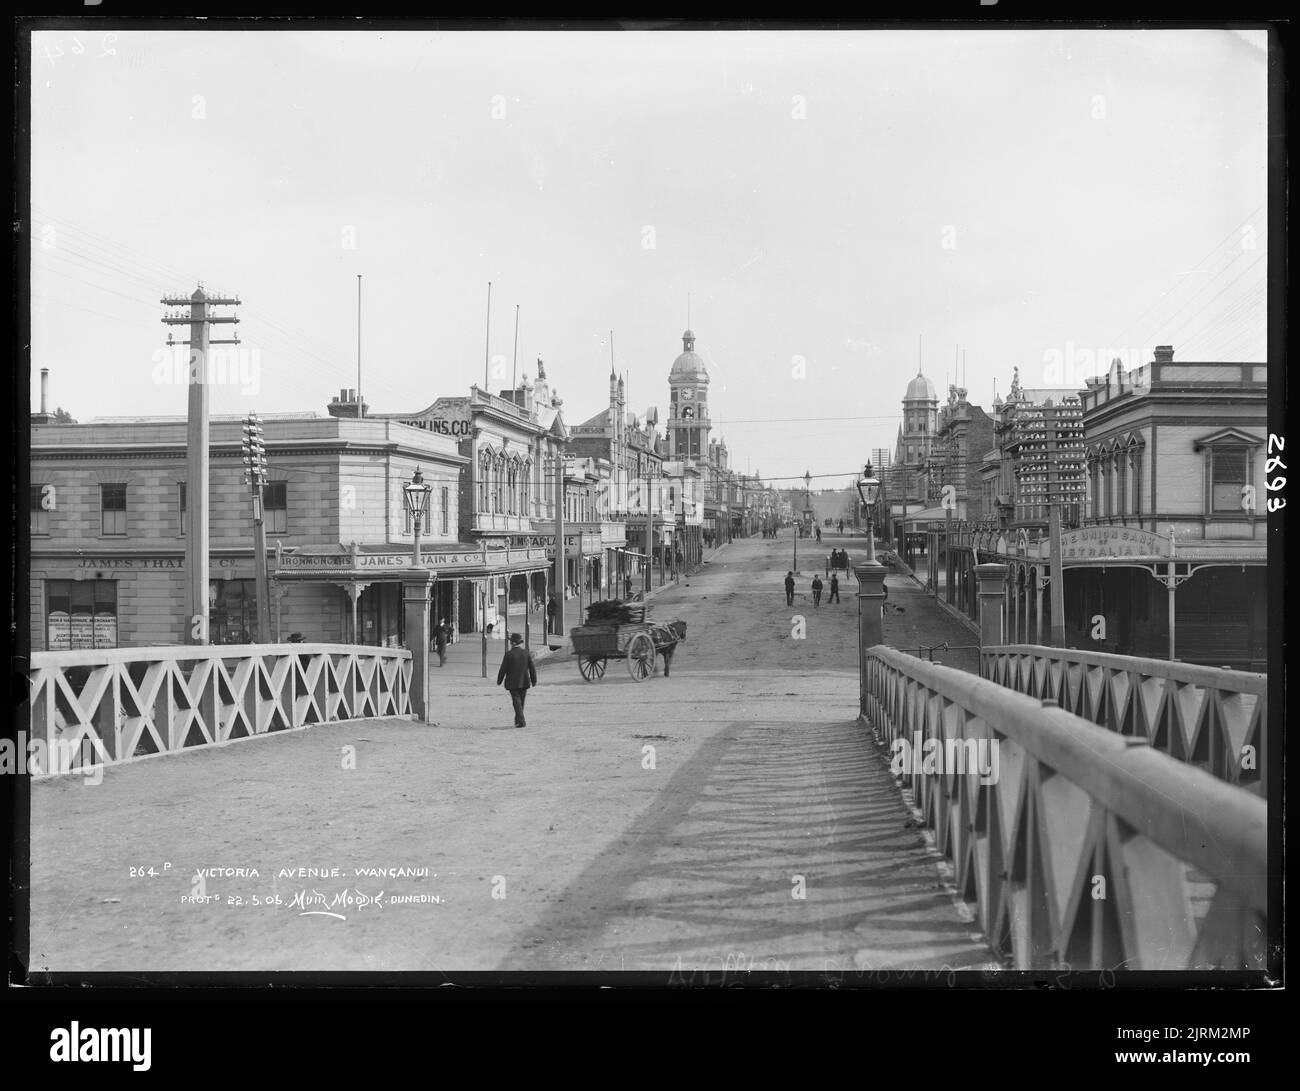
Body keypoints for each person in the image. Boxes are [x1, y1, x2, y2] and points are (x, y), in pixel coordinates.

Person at [496, 632, 537, 728]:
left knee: (516, 702)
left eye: (511, 642)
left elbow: (503, 669)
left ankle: (521, 721)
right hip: (524, 681)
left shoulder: (509, 654)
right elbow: (532, 668)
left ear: (513, 643)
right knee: (521, 702)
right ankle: (518, 721)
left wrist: (499, 680)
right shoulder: (526, 653)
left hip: (512, 682)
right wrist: (534, 680)